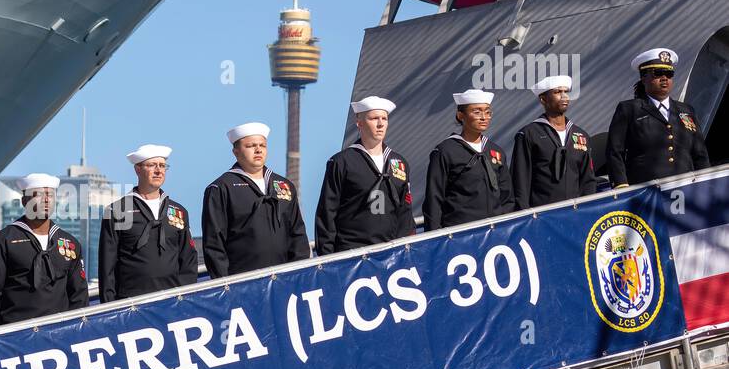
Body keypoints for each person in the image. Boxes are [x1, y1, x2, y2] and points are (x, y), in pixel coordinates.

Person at [201, 122, 310, 278]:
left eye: (262, 145)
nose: (258, 150)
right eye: (251, 146)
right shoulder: (221, 188)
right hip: (242, 281)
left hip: (284, 280)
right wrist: (225, 285)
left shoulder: (284, 185)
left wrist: (300, 274)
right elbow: (214, 245)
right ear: (236, 152)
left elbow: (297, 234)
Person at [0, 173, 87, 327]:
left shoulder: (70, 243)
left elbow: (79, 296)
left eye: (50, 195)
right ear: (24, 201)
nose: (46, 200)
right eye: (39, 195)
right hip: (15, 337)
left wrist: (76, 331)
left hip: (60, 335)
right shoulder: (2, 241)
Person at [314, 97, 414, 254]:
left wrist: (406, 251)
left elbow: (405, 214)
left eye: (384, 118)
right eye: (374, 118)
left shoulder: (399, 163)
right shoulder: (342, 161)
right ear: (359, 123)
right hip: (352, 253)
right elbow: (327, 213)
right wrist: (328, 258)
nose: (380, 124)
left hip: (391, 252)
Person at [98, 144, 197, 301]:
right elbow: (107, 265)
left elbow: (188, 260)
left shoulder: (178, 211)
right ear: (138, 169)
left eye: (163, 166)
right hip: (131, 303)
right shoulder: (118, 211)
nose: (158, 171)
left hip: (173, 301)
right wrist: (108, 308)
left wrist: (185, 298)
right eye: (152, 165)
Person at [605, 48, 710, 186]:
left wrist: (707, 184)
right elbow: (614, 151)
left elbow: (700, 154)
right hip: (647, 193)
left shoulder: (686, 111)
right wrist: (621, 185)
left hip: (686, 191)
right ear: (643, 77)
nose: (664, 78)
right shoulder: (630, 109)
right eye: (658, 73)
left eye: (669, 73)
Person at [423, 90, 514, 230]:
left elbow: (507, 196)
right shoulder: (445, 151)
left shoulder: (496, 151)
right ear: (461, 116)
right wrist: (434, 238)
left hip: (495, 231)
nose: (484, 117)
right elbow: (434, 198)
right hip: (461, 232)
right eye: (477, 112)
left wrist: (504, 225)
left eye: (487, 112)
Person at [511, 75, 597, 209]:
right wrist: (525, 216)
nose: (564, 97)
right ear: (543, 99)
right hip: (542, 216)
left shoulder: (581, 135)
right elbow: (520, 181)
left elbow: (588, 180)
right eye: (557, 92)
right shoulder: (528, 134)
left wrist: (588, 208)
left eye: (566, 92)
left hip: (577, 213)